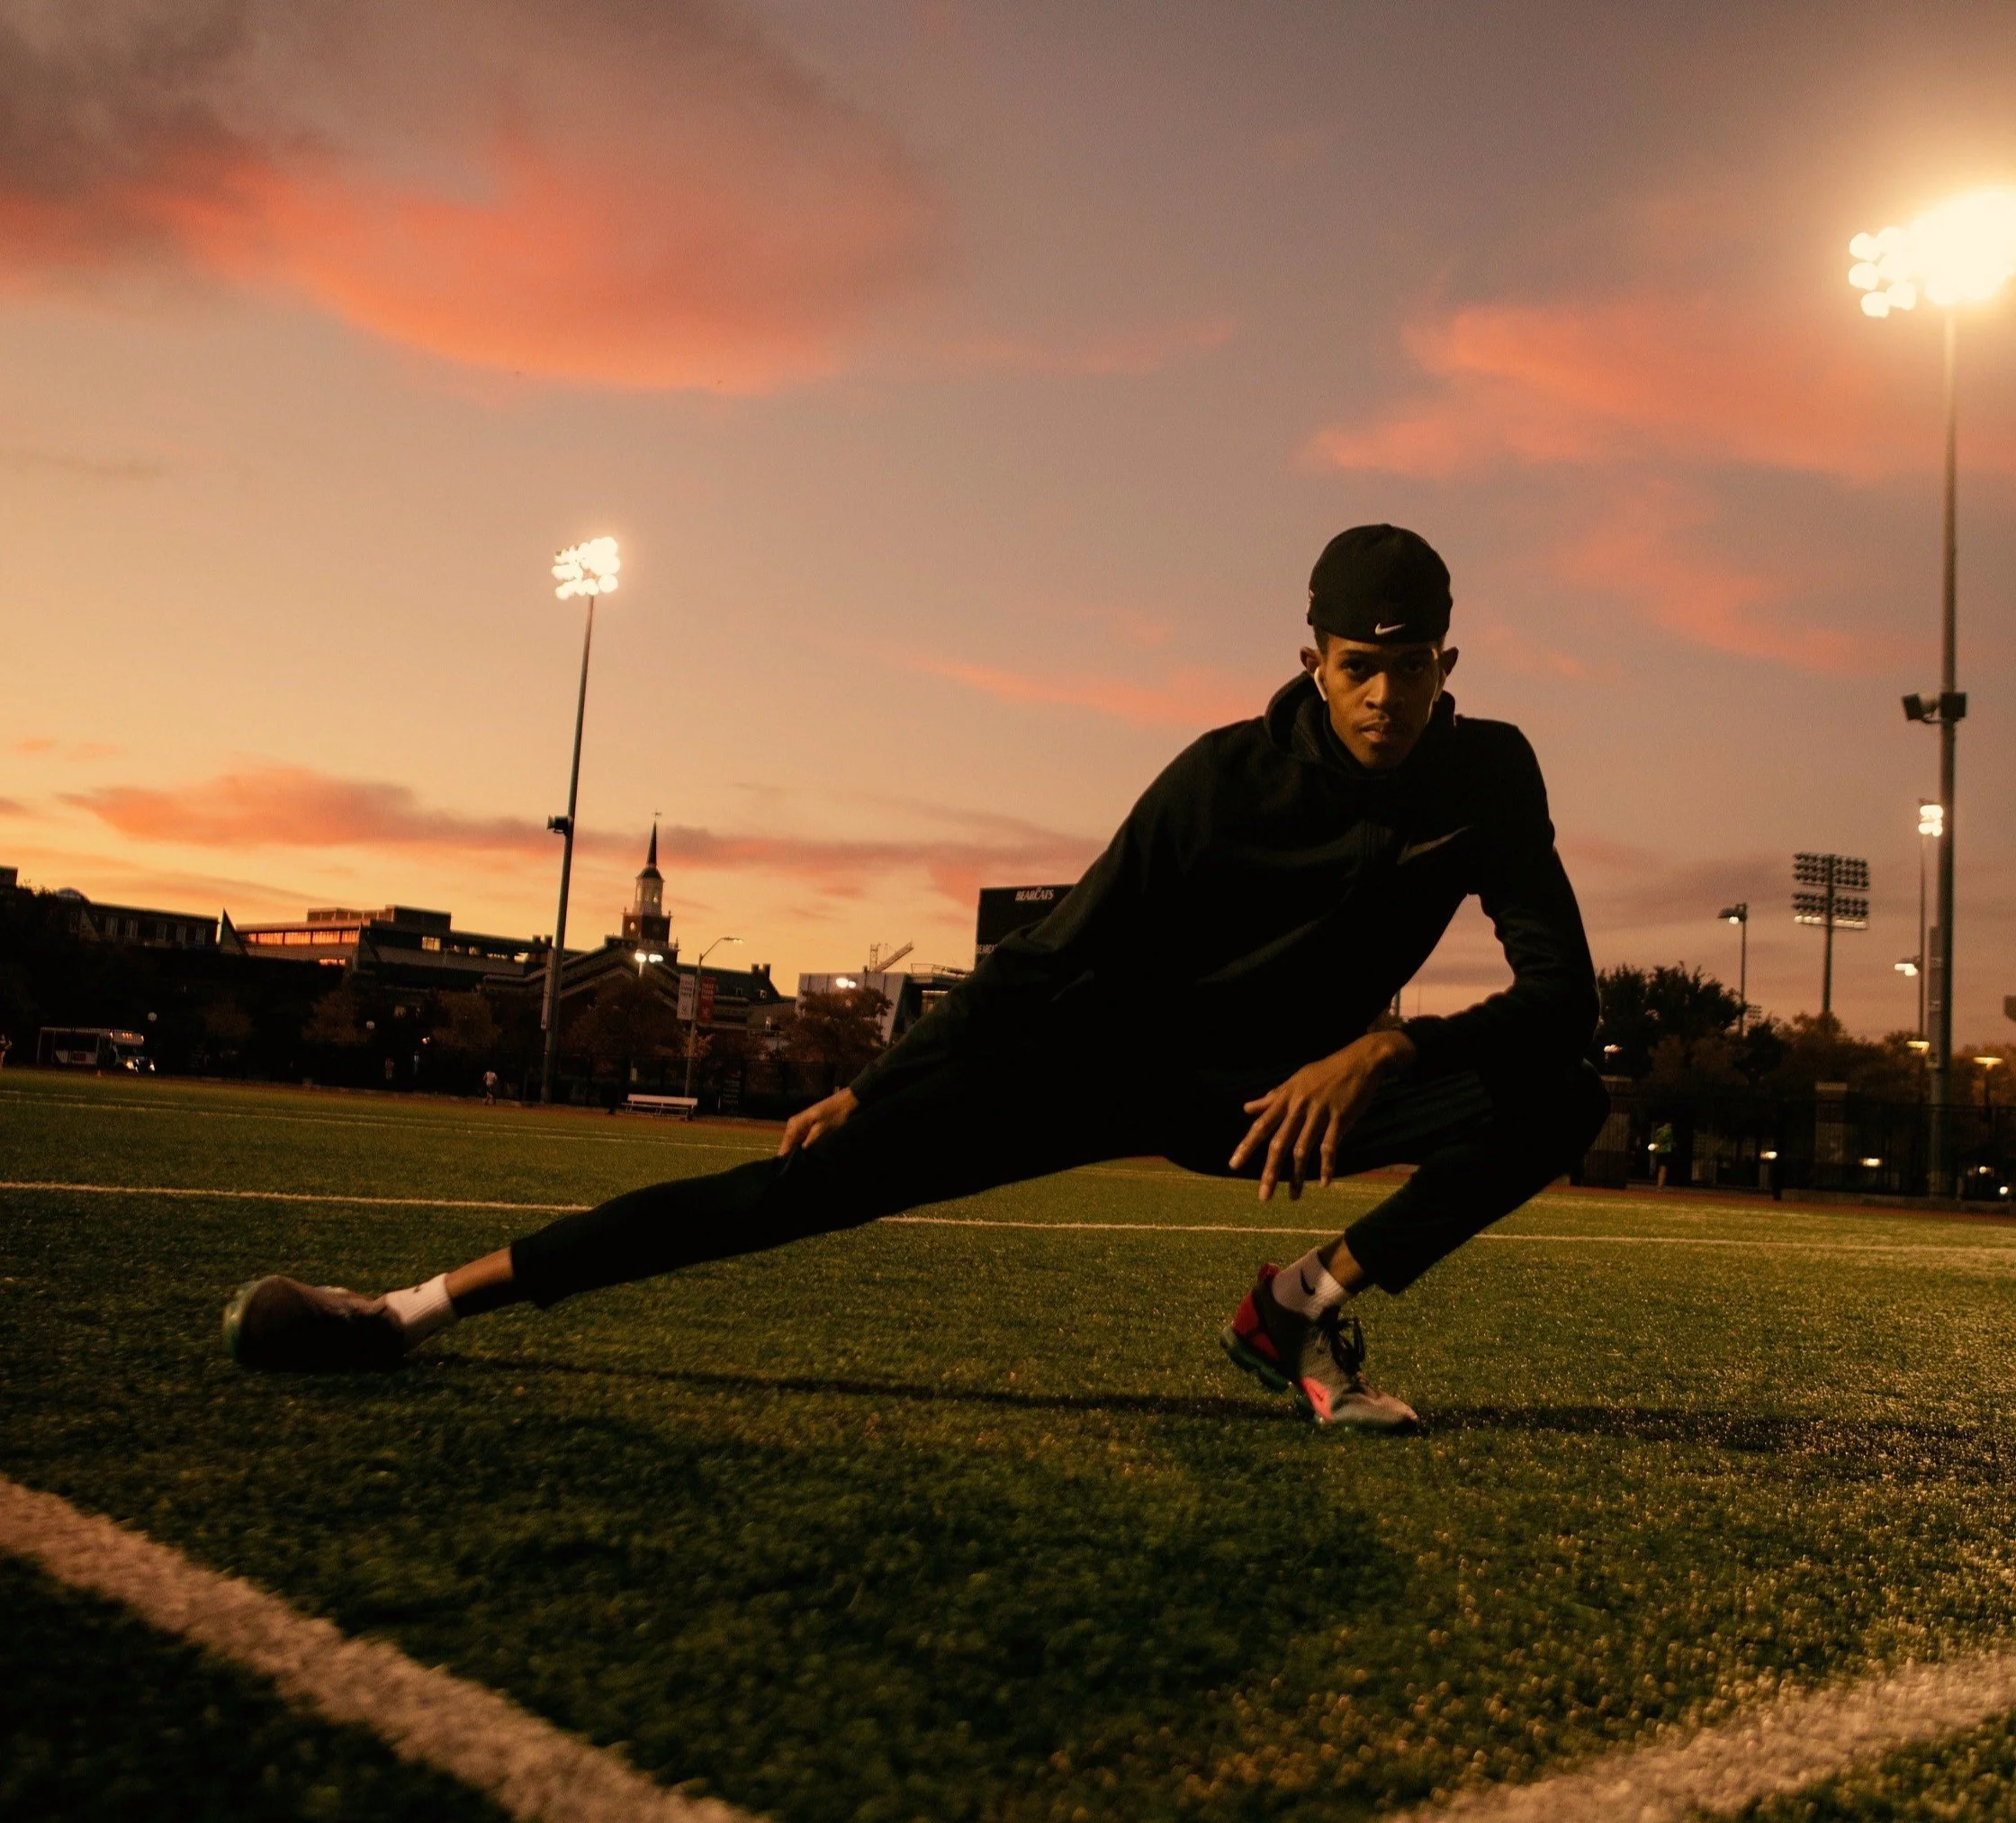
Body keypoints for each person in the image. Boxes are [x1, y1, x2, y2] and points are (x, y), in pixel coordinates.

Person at [223, 526, 1606, 1431]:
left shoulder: (1489, 774)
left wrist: (1389, 1050)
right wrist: (880, 1083)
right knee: (785, 1194)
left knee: (1562, 1097)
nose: (1384, 699)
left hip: (1278, 1100)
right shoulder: (1217, 782)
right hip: (1093, 1061)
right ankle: (403, 1312)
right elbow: (1048, 957)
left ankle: (1298, 1307)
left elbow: (1563, 997)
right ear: (1311, 660)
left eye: (1411, 670)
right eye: (1359, 669)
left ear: (1450, 664)